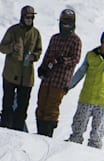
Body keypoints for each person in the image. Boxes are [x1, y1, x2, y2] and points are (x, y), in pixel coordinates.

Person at [67, 30, 104, 149]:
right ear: (102, 41)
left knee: (97, 133)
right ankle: (71, 149)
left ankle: (93, 154)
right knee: (78, 128)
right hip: (87, 98)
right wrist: (69, 85)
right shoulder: (91, 56)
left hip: (103, 101)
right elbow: (81, 72)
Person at [32, 8, 79, 137]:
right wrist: (42, 67)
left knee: (52, 107)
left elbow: (75, 59)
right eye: (64, 22)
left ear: (73, 23)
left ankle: (47, 133)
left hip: (60, 80)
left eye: (69, 22)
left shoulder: (75, 40)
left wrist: (62, 60)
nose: (66, 25)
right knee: (41, 103)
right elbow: (47, 55)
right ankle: (40, 131)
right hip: (48, 77)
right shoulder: (55, 38)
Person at [1, 5, 41, 131]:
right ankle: (4, 128)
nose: (29, 19)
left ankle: (18, 131)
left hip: (27, 77)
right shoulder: (13, 30)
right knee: (7, 103)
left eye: (32, 17)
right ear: (22, 17)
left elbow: (39, 51)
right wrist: (12, 48)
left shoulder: (36, 33)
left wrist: (34, 57)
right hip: (10, 74)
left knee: (22, 107)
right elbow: (2, 47)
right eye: (27, 17)